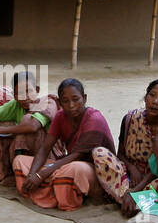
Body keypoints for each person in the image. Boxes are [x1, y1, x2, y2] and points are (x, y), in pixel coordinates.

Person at [13, 78, 117, 211]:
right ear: (60, 102)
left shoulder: (94, 119)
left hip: (94, 171)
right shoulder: (60, 116)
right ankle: (55, 191)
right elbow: (44, 149)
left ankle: (54, 193)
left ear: (84, 99)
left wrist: (41, 175)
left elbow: (77, 156)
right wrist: (32, 175)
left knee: (73, 169)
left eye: (75, 99)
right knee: (20, 161)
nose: (71, 105)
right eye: (65, 101)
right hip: (67, 164)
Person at [92, 79, 158, 215]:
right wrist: (132, 169)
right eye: (152, 95)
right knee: (100, 153)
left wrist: (137, 188)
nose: (155, 101)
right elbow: (120, 153)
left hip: (151, 177)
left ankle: (127, 199)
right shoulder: (130, 119)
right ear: (145, 97)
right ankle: (133, 202)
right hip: (127, 174)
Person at [0, 71, 58, 184]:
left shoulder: (48, 102)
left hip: (46, 155)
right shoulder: (15, 105)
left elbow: (32, 126)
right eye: (20, 93)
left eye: (29, 91)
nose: (25, 97)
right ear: (14, 95)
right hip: (23, 154)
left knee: (25, 122)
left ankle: (23, 174)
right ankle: (3, 173)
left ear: (37, 90)